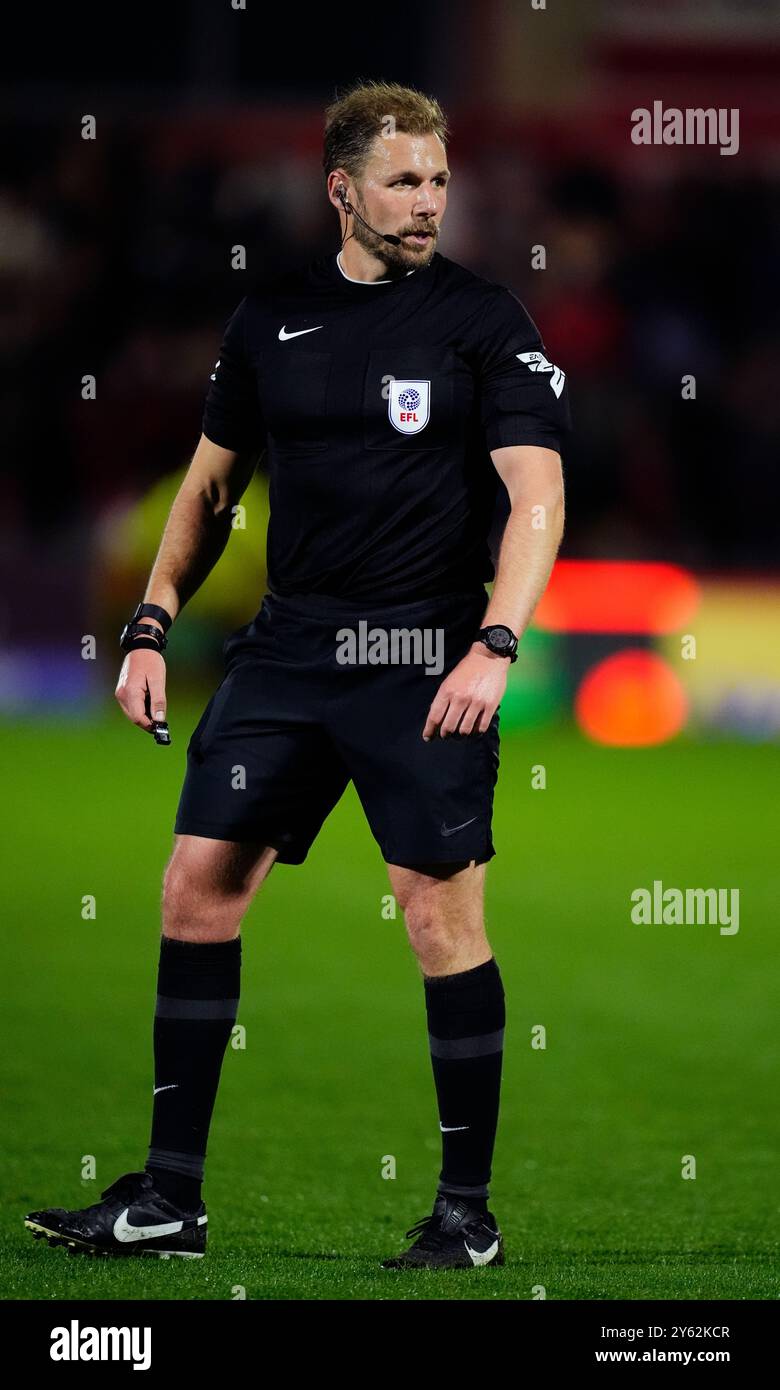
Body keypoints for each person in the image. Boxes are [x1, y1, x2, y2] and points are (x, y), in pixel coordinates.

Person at [25, 80, 570, 1270]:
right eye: (403, 182)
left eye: (438, 180)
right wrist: (152, 624)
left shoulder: (483, 320)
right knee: (194, 891)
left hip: (422, 653)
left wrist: (496, 640)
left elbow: (537, 496)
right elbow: (210, 487)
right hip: (286, 649)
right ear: (341, 190)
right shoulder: (271, 318)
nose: (428, 203)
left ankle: (465, 1216)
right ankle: (170, 1199)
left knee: (438, 917)